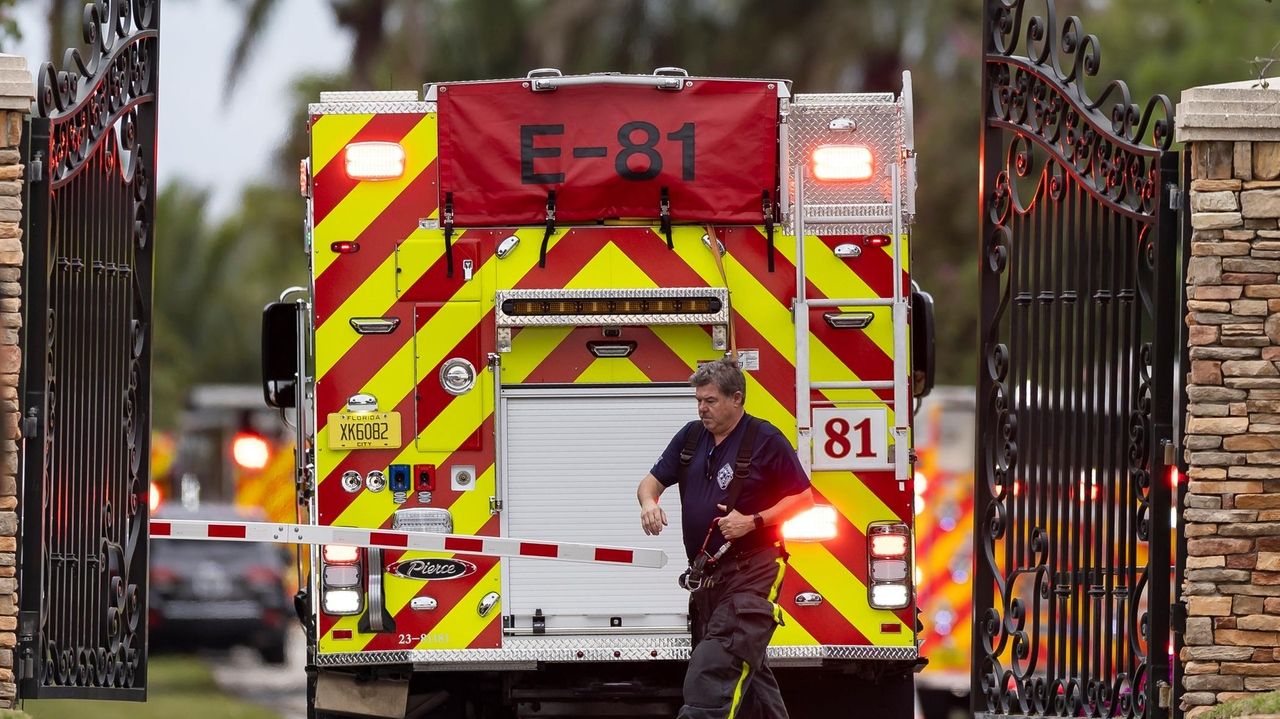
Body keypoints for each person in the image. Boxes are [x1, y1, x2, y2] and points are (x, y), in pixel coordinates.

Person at [636, 358, 813, 719]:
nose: (702, 408)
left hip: (754, 570)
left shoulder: (766, 439)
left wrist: (753, 521)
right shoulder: (690, 437)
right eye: (699, 400)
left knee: (713, 668)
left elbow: (803, 500)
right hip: (708, 581)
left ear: (737, 399)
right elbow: (649, 483)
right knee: (749, 674)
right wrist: (648, 504)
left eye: (711, 401)